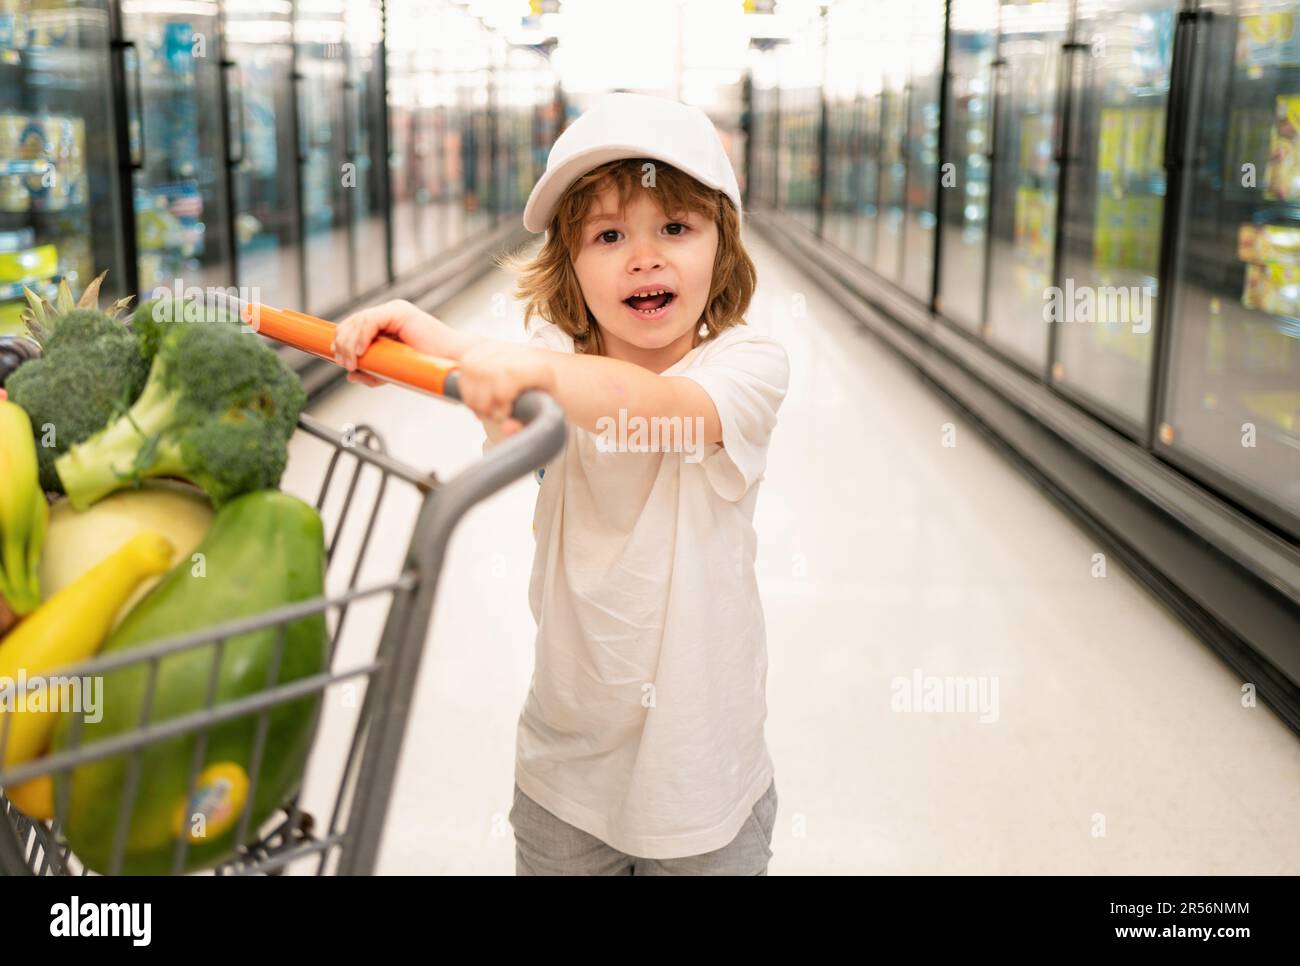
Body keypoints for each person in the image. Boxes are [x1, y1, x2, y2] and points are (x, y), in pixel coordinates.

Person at [332, 92, 790, 875]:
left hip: (702, 778)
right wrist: (427, 340)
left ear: (723, 247)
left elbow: (655, 409)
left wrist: (524, 367)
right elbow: (506, 379)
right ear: (571, 268)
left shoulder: (746, 366)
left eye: (675, 228)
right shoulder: (553, 357)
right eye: (608, 235)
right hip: (565, 769)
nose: (644, 257)